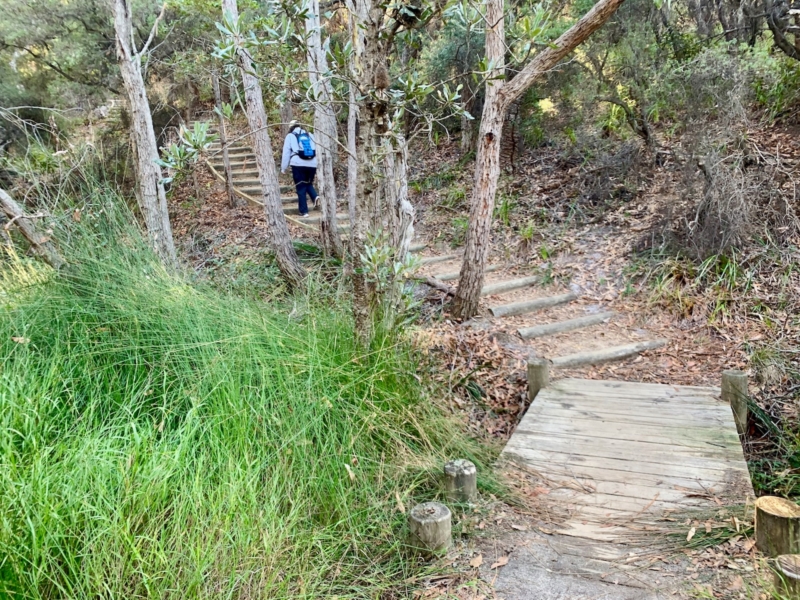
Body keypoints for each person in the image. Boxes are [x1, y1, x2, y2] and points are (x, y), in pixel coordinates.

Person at [280, 120, 318, 217]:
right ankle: (315, 196)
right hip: (312, 163)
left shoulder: (290, 136)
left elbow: (286, 153)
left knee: (300, 186)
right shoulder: (310, 135)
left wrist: (283, 168)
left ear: (291, 127)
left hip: (298, 163)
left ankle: (304, 211)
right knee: (307, 183)